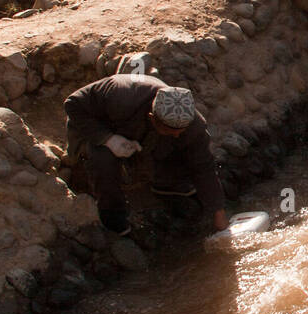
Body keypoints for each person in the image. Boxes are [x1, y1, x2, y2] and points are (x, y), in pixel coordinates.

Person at [64, 74, 229, 236]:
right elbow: (72, 104)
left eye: (180, 131)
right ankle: (112, 214)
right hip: (92, 128)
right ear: (152, 118)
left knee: (186, 144)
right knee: (102, 159)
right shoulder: (121, 98)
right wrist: (108, 139)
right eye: (171, 131)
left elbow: (204, 166)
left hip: (134, 129)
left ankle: (166, 183)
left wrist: (219, 216)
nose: (177, 135)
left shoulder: (191, 122)